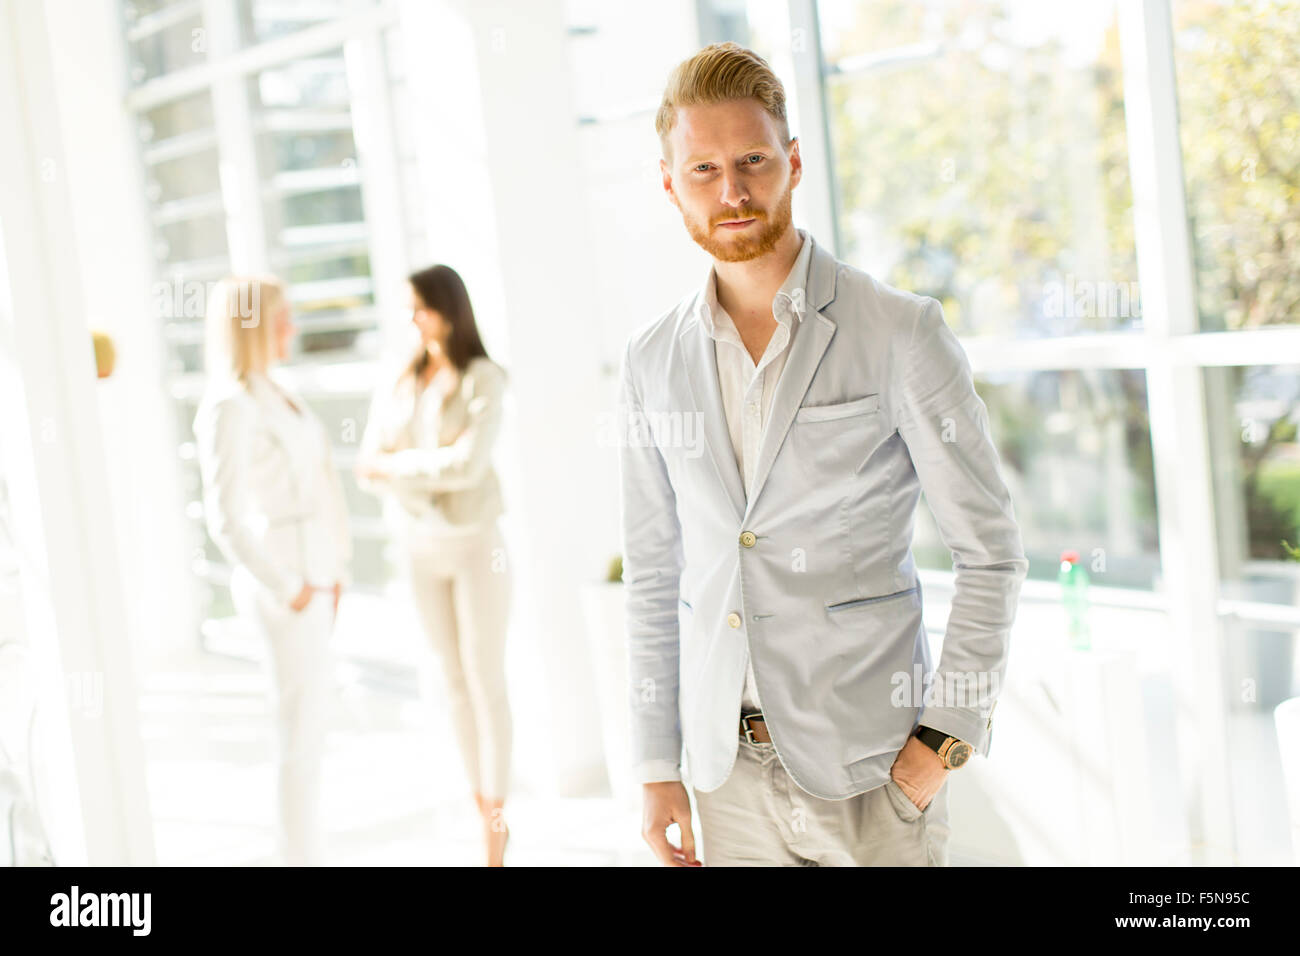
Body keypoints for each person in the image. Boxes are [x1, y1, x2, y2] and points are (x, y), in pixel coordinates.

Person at [620, 42, 1029, 867]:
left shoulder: (899, 332)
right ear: (669, 184)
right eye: (702, 169)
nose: (731, 190)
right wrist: (657, 765)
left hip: (873, 774)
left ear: (794, 163)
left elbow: (991, 552)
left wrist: (945, 739)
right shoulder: (650, 360)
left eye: (752, 161)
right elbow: (655, 574)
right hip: (722, 779)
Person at [356, 264, 513, 867]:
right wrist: (426, 464)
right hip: (420, 548)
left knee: (485, 680)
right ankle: (481, 812)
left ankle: (496, 825)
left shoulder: (484, 378)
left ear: (447, 308)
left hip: (476, 544)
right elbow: (368, 457)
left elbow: (468, 468)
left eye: (418, 306)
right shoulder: (402, 379)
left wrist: (399, 468)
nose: (410, 319)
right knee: (451, 683)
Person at [193, 276, 352, 866]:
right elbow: (226, 521)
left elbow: (323, 486)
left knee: (311, 731)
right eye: (282, 318)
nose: (292, 328)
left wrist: (335, 573)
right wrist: (293, 589)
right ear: (253, 326)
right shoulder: (228, 407)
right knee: (298, 737)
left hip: (316, 577)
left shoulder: (280, 394)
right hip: (283, 584)